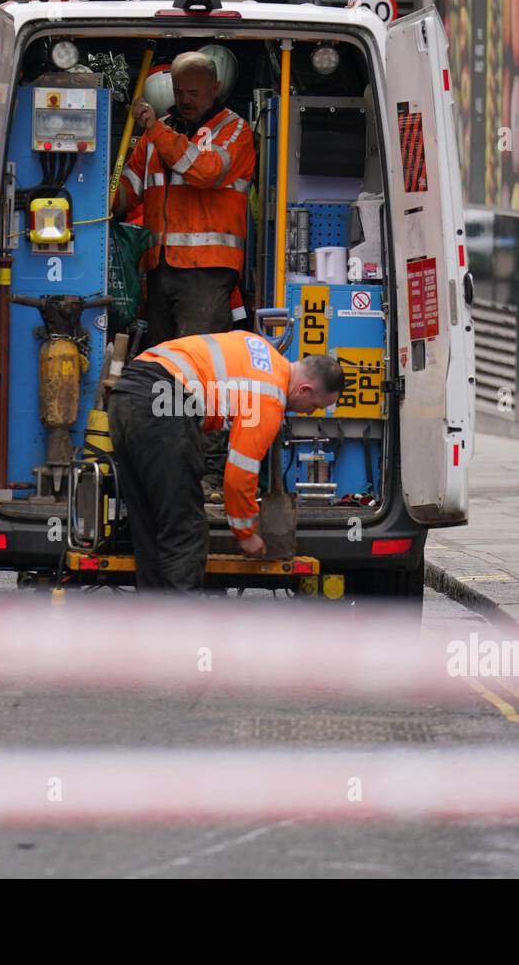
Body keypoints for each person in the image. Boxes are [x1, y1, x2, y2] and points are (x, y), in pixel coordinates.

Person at [107, 331, 343, 592]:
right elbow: (238, 476)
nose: (309, 412)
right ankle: (177, 626)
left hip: (125, 395)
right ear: (305, 389)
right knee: (185, 529)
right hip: (163, 403)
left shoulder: (260, 350)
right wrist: (246, 534)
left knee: (148, 524)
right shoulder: (269, 397)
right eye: (315, 406)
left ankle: (154, 622)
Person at [113, 51, 255, 346]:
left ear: (215, 88)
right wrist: (100, 196)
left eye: (193, 92)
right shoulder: (160, 130)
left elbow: (207, 172)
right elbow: (130, 186)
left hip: (207, 270)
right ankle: (168, 396)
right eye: (179, 92)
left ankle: (196, 396)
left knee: (196, 358)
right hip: (158, 268)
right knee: (163, 359)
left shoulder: (234, 129)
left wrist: (156, 130)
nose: (185, 99)